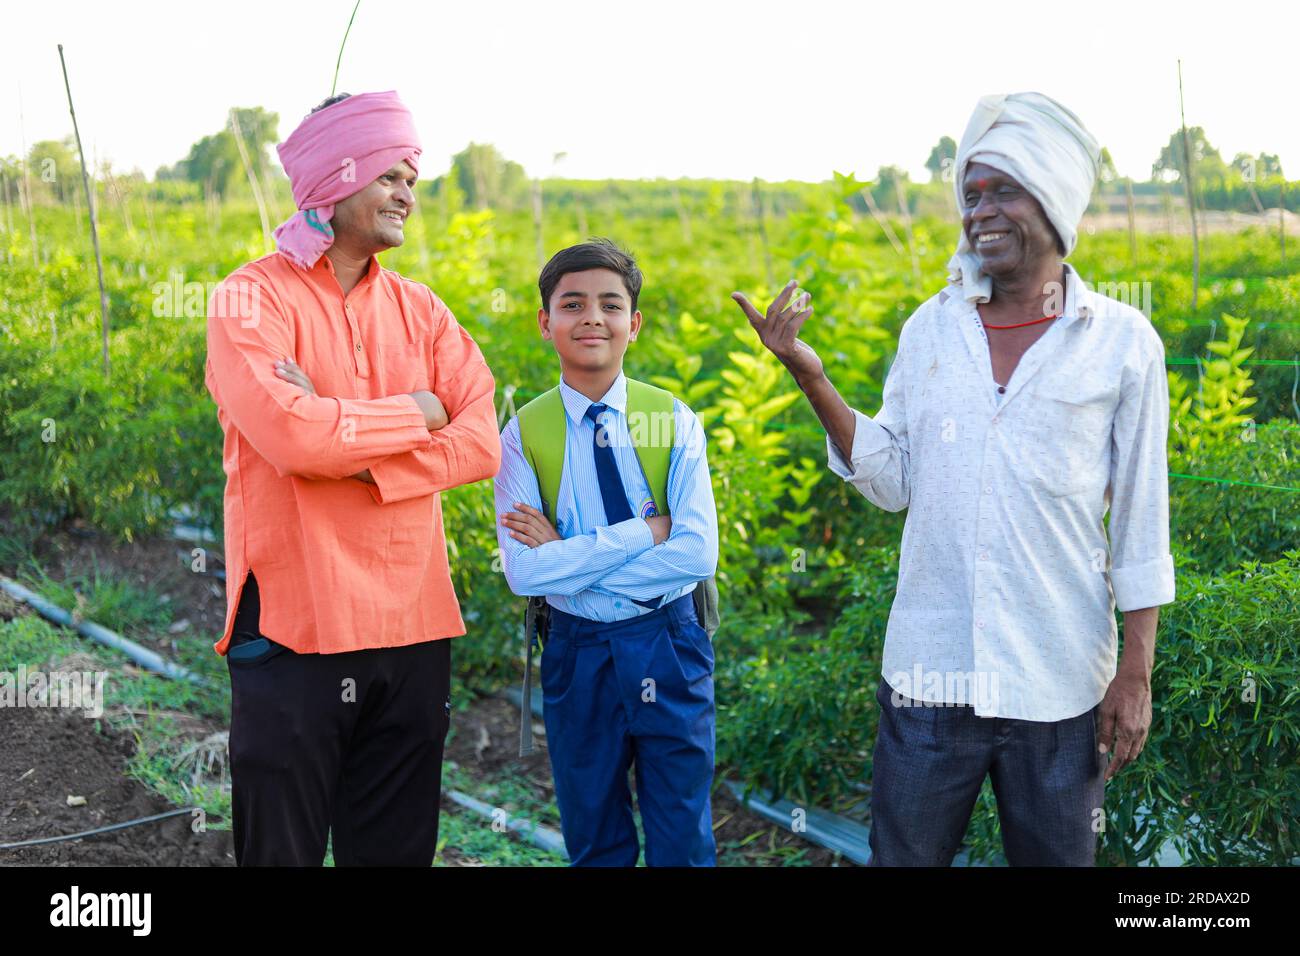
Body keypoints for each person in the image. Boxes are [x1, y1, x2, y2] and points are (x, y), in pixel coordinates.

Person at [731, 92, 1175, 866]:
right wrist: (813, 381)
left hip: (1060, 675)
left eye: (1003, 190)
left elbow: (1142, 519)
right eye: (970, 195)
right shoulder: (931, 328)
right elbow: (893, 479)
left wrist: (1135, 673)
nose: (981, 212)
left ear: (1054, 197)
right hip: (928, 677)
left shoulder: (1122, 344)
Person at [204, 90, 500, 866]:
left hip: (413, 625)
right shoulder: (249, 299)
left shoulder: (423, 310)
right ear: (336, 179)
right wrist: (417, 408)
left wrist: (360, 459)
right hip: (295, 628)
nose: (409, 194)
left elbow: (480, 442)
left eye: (413, 178)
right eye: (391, 175)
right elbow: (292, 438)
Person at [494, 239, 719, 866]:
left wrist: (570, 554)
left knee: (682, 829)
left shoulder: (673, 421)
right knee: (592, 829)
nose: (592, 317)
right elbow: (523, 570)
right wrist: (644, 532)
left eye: (610, 304)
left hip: (667, 642)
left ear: (633, 323)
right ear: (546, 322)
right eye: (572, 304)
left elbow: (697, 554)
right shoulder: (523, 433)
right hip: (577, 647)